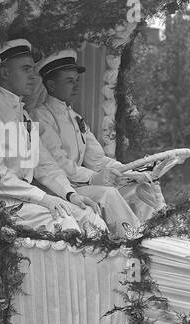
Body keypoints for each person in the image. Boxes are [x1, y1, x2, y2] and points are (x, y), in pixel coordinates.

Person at [30, 48, 166, 237]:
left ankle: (155, 233)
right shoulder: (40, 116)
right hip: (58, 189)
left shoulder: (75, 117)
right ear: (51, 85)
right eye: (69, 81)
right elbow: (58, 163)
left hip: (81, 185)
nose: (76, 86)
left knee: (137, 189)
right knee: (108, 194)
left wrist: (130, 172)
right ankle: (133, 239)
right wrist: (94, 178)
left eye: (76, 81)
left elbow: (97, 159)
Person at [0, 39, 106, 238]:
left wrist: (71, 195)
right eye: (26, 69)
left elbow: (44, 164)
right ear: (4, 73)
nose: (33, 76)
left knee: (91, 218)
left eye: (32, 69)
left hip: (25, 197)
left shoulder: (22, 114)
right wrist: (44, 198)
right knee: (65, 224)